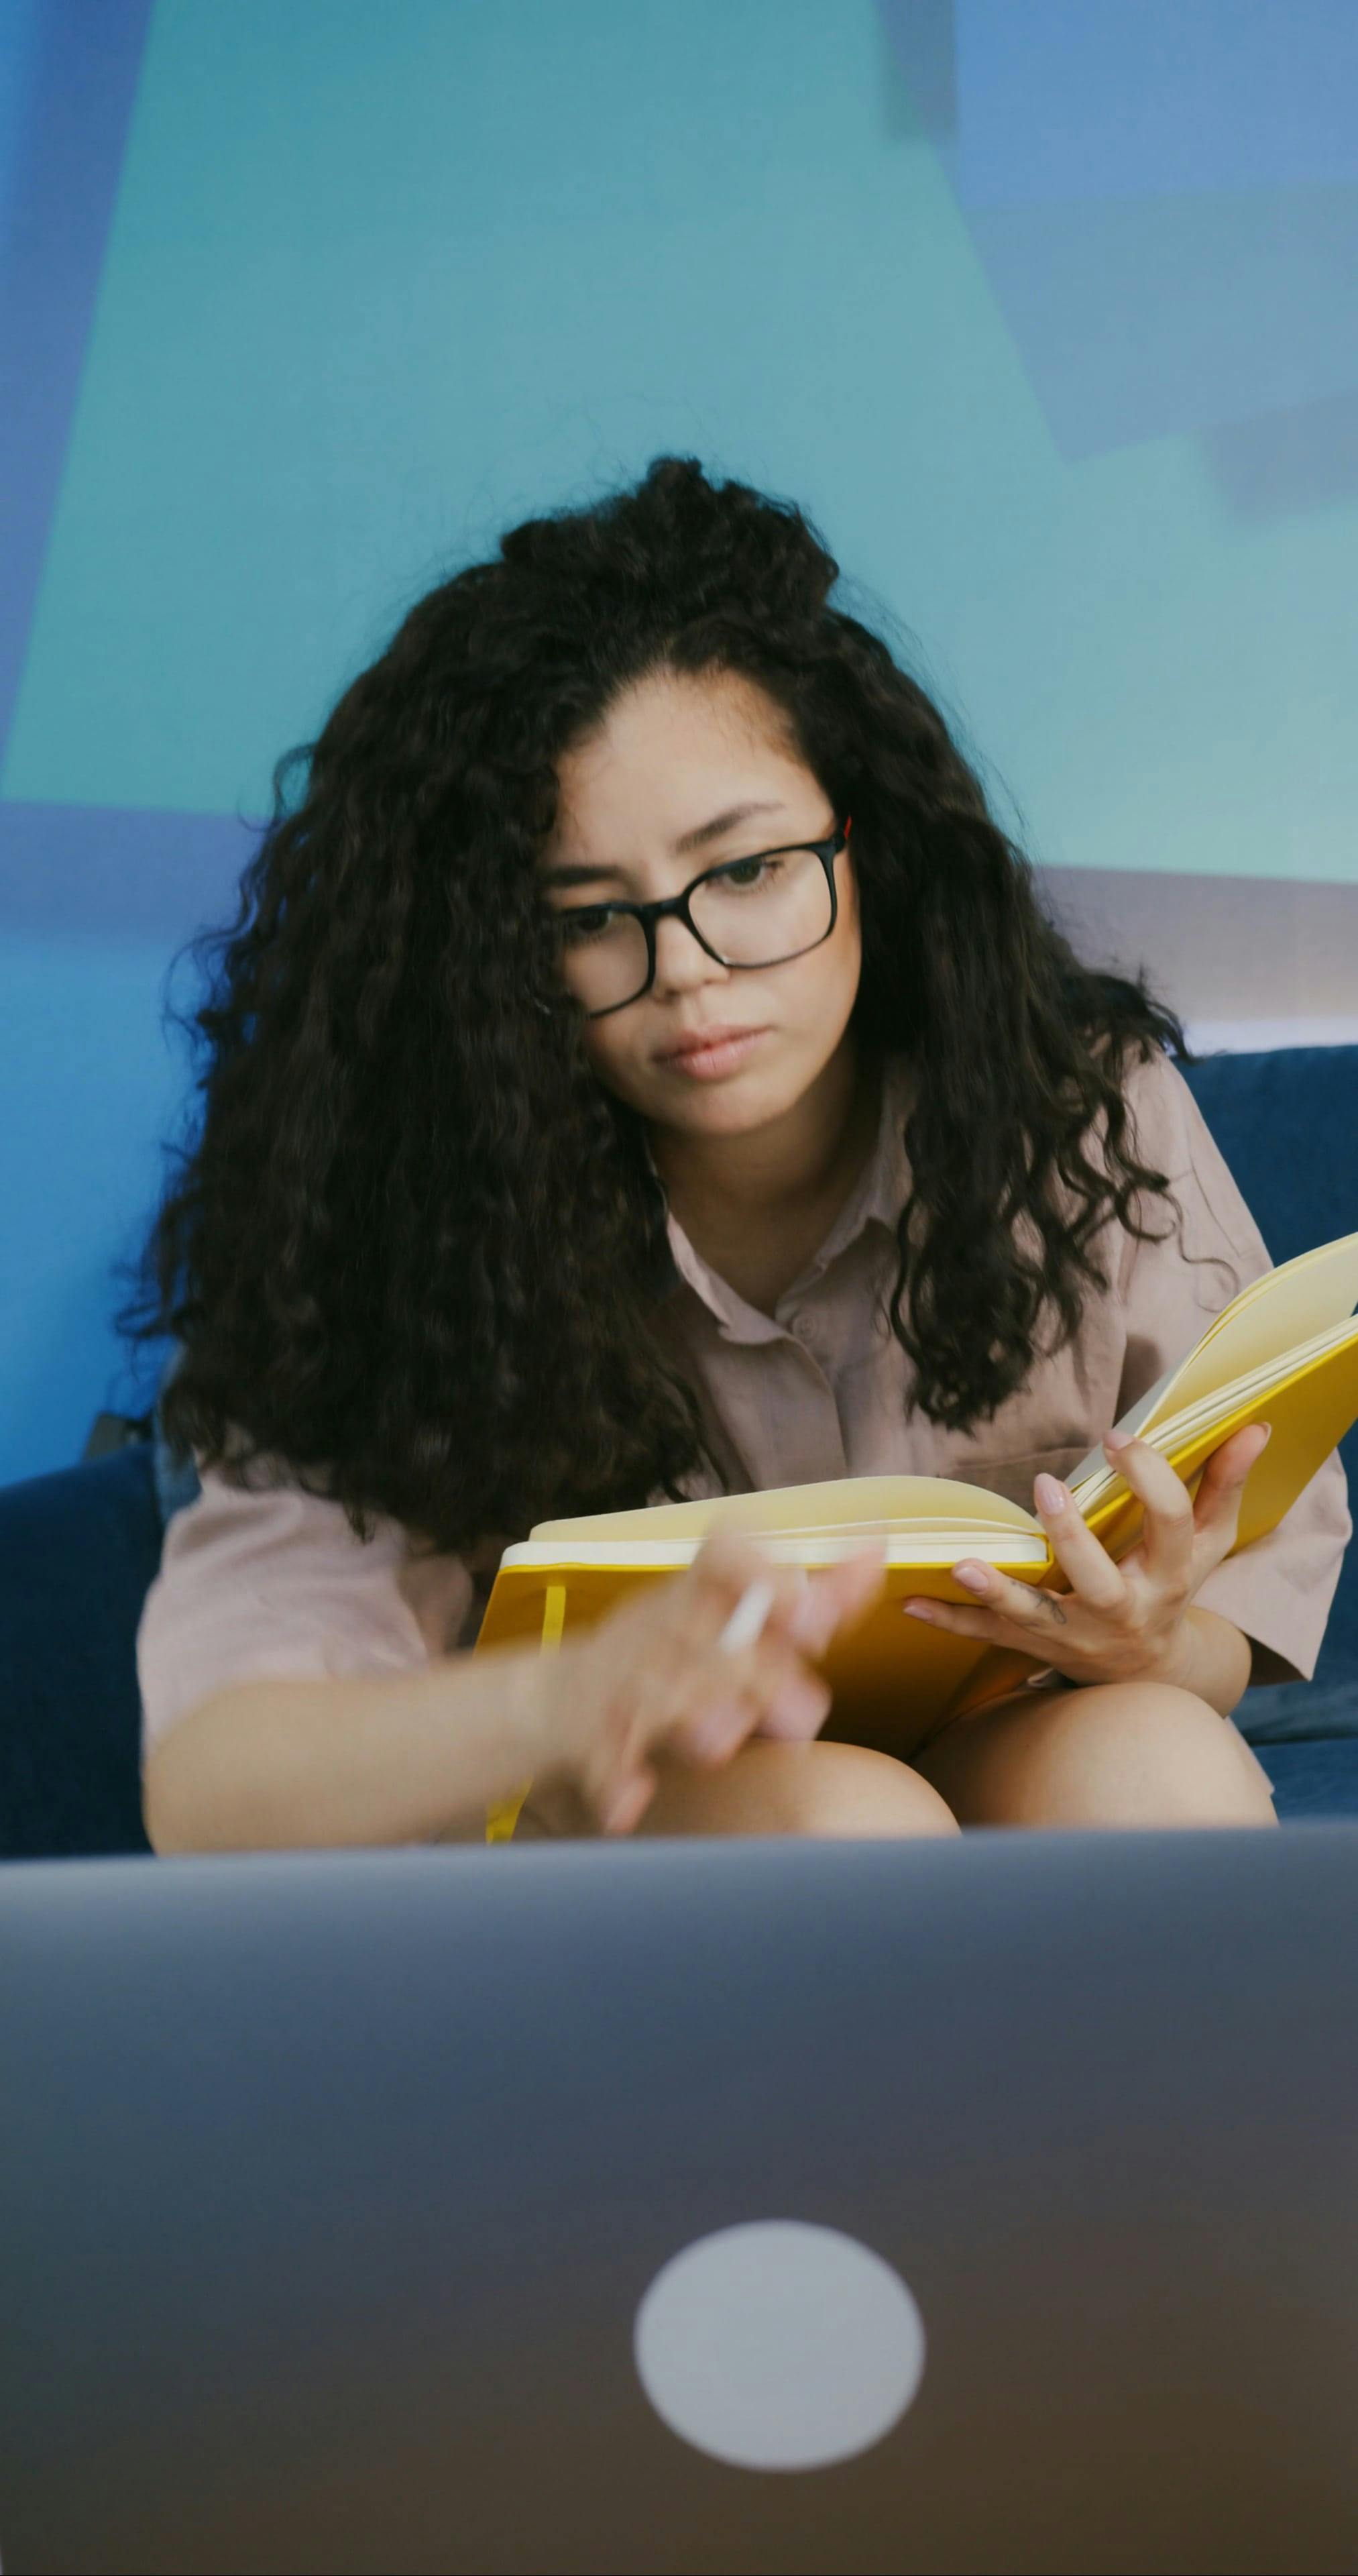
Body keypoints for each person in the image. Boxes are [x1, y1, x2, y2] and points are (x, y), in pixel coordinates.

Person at [127, 457, 1350, 1852]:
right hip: (641, 1820)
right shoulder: (402, 1210)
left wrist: (1145, 1644)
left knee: (1149, 1759)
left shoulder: (1082, 1116)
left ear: (866, 845)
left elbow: (1231, 1634)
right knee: (840, 1822)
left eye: (748, 871)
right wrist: (568, 1693)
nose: (691, 974)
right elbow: (213, 1789)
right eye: (589, 916)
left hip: (1021, 1736)